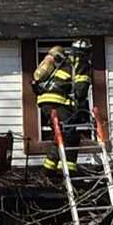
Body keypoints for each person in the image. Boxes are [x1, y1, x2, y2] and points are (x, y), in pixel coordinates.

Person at [32, 39, 93, 175]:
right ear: (87, 52)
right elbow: (81, 89)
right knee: (70, 135)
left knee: (60, 135)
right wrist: (79, 103)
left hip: (44, 101)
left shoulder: (64, 61)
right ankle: (66, 171)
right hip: (59, 102)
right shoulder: (82, 62)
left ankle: (50, 169)